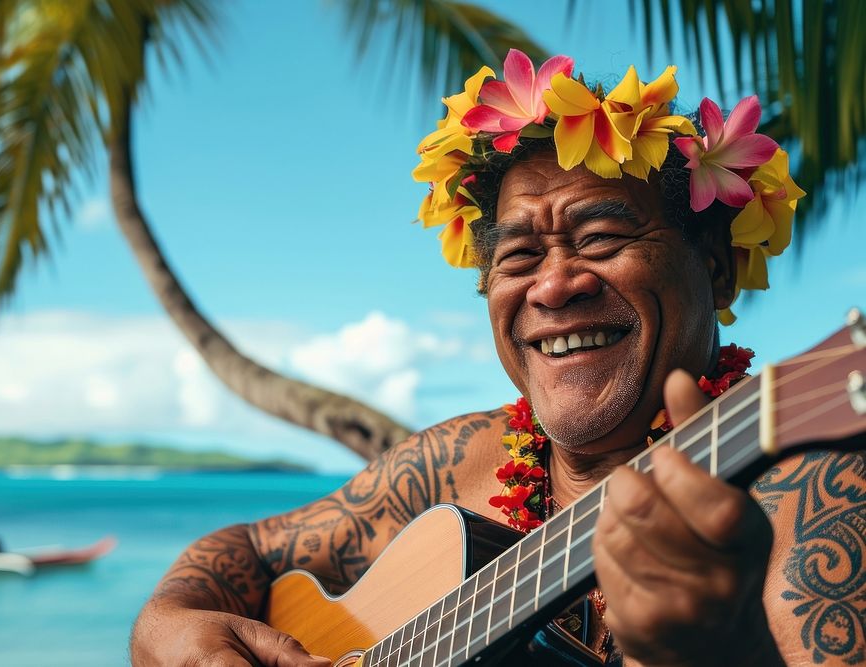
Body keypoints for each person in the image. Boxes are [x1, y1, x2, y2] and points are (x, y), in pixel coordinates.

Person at [130, 52, 864, 666]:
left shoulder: (826, 507)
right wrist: (169, 623)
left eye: (603, 238)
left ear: (719, 266)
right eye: (518, 255)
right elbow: (253, 547)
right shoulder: (457, 461)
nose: (552, 284)